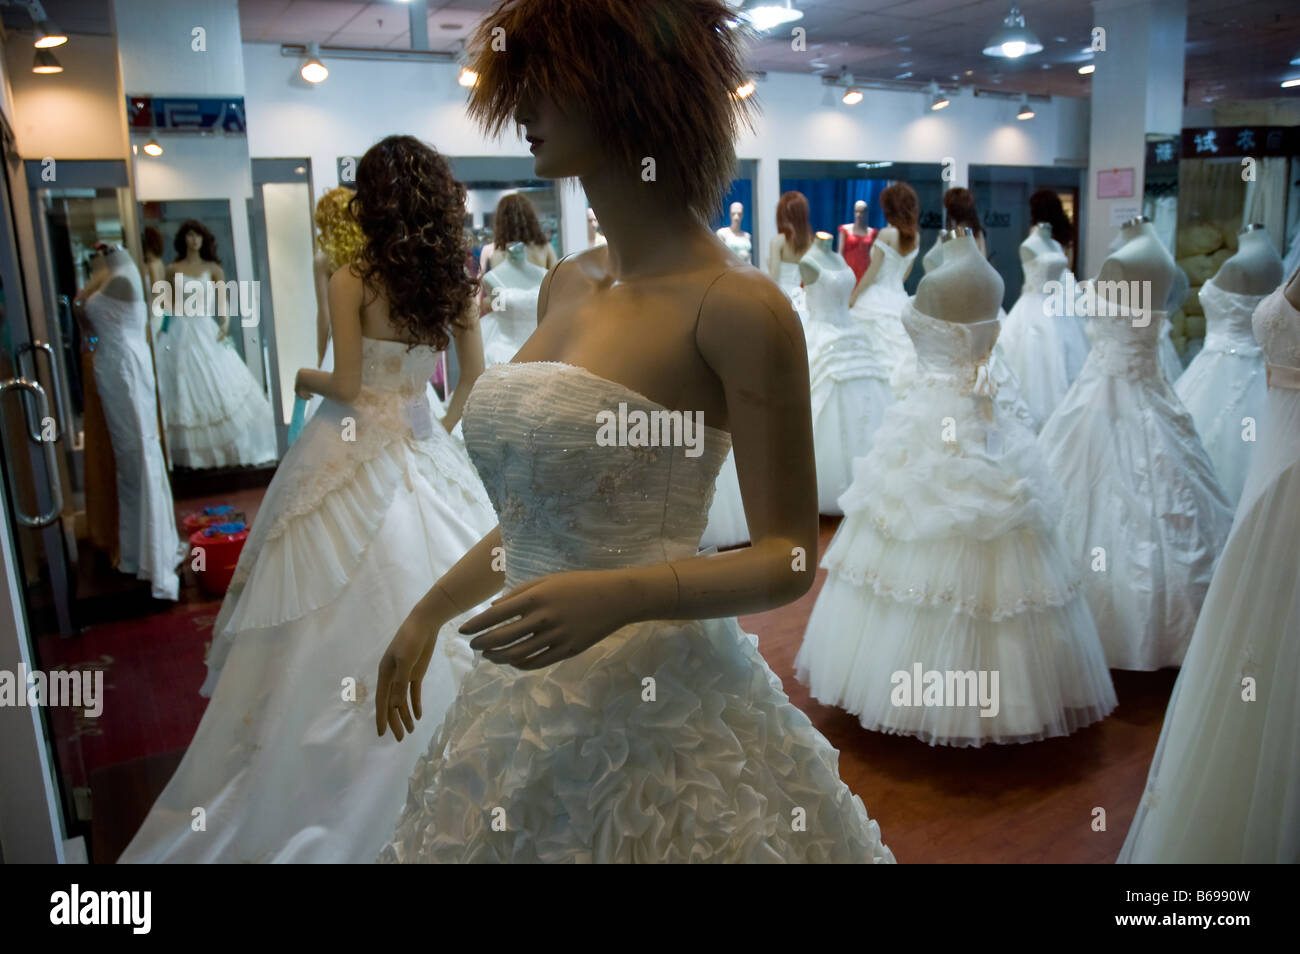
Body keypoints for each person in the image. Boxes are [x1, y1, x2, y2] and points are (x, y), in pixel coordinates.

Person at [376, 0, 894, 864]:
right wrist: (431, 610)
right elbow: (543, 521)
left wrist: (621, 593)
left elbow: (790, 556)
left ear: (626, 89)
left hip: (660, 710)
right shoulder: (566, 286)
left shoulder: (737, 306)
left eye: (549, 84)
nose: (526, 111)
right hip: (522, 694)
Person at [118, 136, 496, 863]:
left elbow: (349, 384)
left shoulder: (354, 274)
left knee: (321, 603)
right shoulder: (451, 277)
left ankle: (311, 769)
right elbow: (473, 378)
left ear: (373, 198)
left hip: (352, 443)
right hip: (422, 442)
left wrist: (302, 377)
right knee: (444, 576)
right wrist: (435, 428)